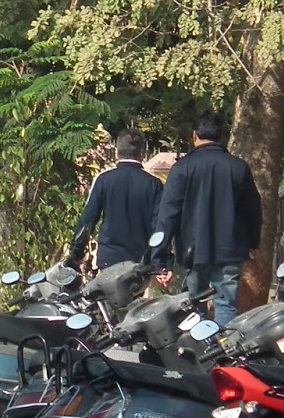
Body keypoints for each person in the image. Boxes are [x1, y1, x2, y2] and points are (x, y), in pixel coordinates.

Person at [152, 111, 262, 323]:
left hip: (192, 252)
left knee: (193, 305)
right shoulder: (238, 168)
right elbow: (253, 208)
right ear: (221, 135)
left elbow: (168, 214)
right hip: (230, 250)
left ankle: (198, 351)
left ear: (194, 136)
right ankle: (225, 353)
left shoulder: (182, 168)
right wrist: (252, 243)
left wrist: (160, 258)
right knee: (226, 304)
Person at [67, 129, 164, 270]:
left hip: (109, 257)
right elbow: (158, 225)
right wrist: (161, 260)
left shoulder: (104, 180)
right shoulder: (154, 184)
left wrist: (76, 254)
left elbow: (87, 221)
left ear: (117, 152)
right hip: (140, 259)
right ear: (141, 154)